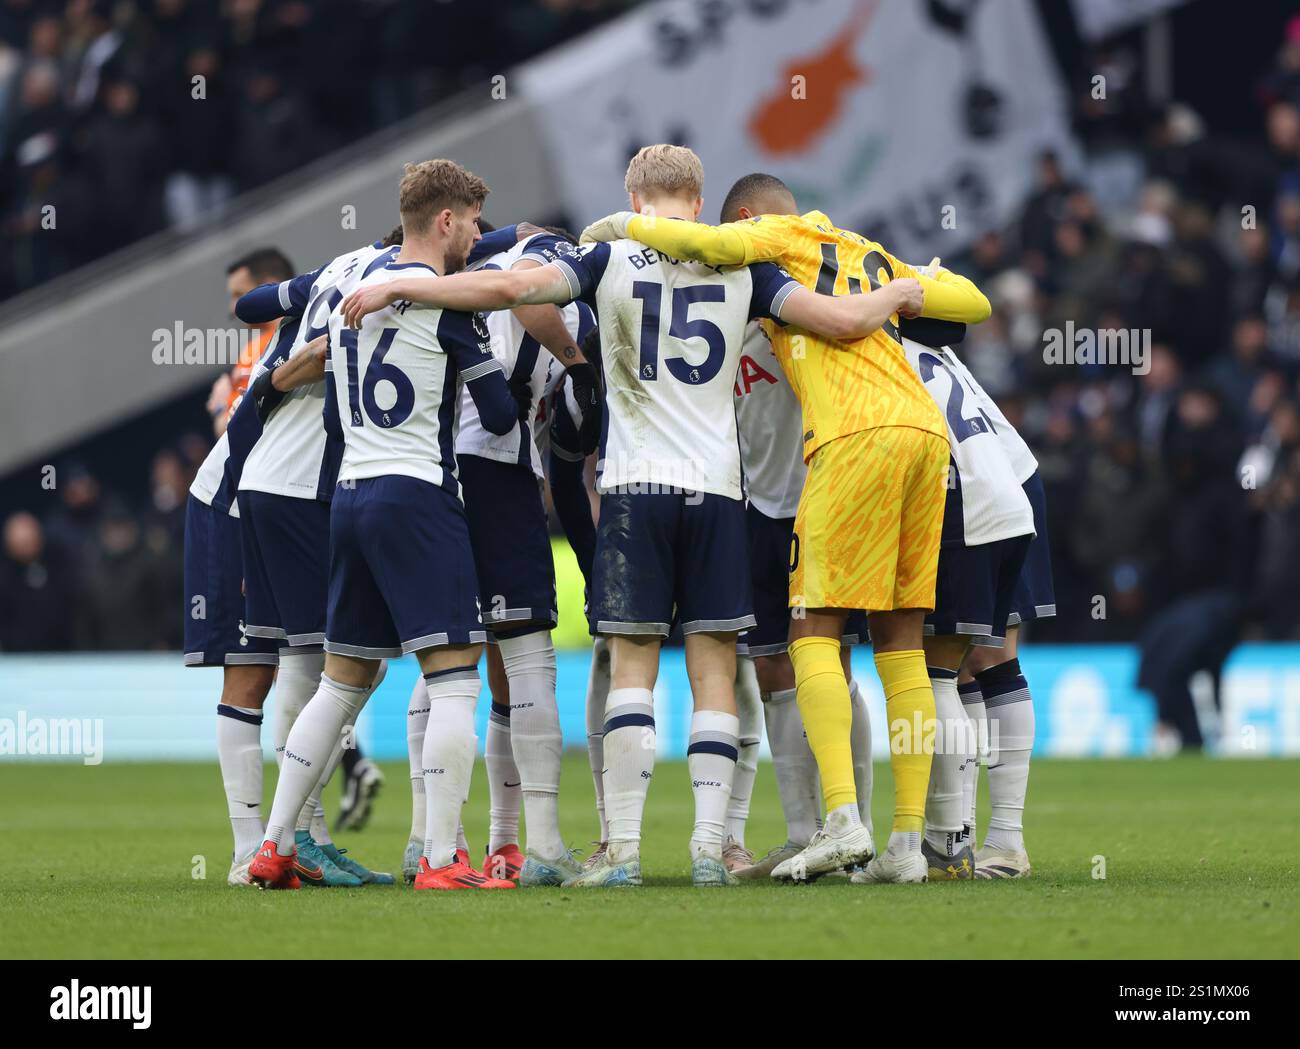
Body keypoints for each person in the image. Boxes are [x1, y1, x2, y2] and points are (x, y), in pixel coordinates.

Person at [342, 145, 923, 887]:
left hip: (635, 487)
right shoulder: (747, 265)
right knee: (717, 671)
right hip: (718, 491)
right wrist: (899, 294)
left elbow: (516, 286)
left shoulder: (606, 255)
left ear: (632, 192)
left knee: (634, 673)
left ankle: (623, 851)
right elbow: (840, 321)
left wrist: (415, 288)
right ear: (698, 196)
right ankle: (711, 850)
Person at [580, 171, 991, 883]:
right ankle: (905, 844)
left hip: (843, 450)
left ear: (743, 221)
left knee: (813, 634)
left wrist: (620, 224)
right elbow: (974, 303)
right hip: (921, 442)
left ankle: (840, 820)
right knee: (900, 641)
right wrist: (904, 289)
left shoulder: (771, 250)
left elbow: (693, 239)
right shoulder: (861, 251)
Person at [248, 159, 524, 891]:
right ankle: (440, 859)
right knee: (457, 678)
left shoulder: (347, 291)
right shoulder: (447, 302)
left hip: (349, 497)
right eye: (469, 222)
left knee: (341, 683)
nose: (475, 236)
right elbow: (497, 414)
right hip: (418, 496)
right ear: (442, 221)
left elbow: (326, 396)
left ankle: (273, 846)